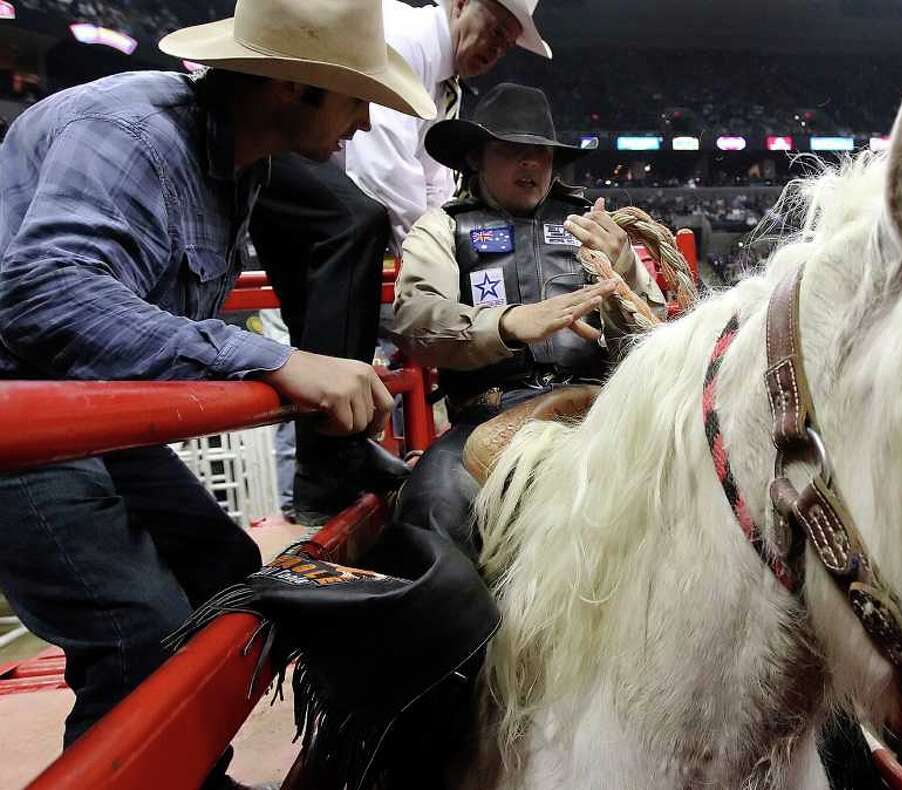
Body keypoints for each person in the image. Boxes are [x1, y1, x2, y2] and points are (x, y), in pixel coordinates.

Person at [0, 0, 433, 779]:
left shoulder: (242, 162)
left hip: (74, 405)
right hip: (21, 411)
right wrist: (274, 361)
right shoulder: (133, 134)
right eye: (355, 98)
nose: (365, 124)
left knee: (223, 569)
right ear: (291, 88)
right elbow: (43, 297)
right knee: (138, 629)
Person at [250, 0, 552, 524]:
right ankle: (327, 469)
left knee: (322, 303)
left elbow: (430, 180)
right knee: (354, 224)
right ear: (460, 5)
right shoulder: (405, 38)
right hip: (266, 123)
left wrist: (442, 250)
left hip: (296, 156)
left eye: (507, 40)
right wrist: (439, 257)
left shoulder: (445, 85)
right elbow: (382, 171)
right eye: (495, 28)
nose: (497, 45)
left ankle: (332, 462)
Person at [363, 83, 665, 570]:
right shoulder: (441, 227)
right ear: (477, 158)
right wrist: (507, 325)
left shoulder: (593, 227)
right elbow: (417, 320)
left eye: (540, 154)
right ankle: (464, 644)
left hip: (604, 405)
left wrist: (625, 270)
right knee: (431, 506)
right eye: (512, 151)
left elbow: (655, 334)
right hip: (488, 417)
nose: (530, 164)